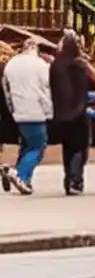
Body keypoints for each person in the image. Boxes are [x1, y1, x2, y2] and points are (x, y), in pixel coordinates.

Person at [2, 38, 53, 195]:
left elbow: (6, 90)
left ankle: (23, 179)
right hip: (36, 112)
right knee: (38, 146)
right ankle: (19, 173)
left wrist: (12, 109)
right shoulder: (41, 65)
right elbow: (46, 89)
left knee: (26, 146)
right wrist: (49, 111)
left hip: (19, 112)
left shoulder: (11, 65)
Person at [49, 33, 95, 195]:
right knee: (80, 148)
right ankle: (76, 180)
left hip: (60, 113)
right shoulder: (78, 64)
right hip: (77, 112)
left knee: (67, 148)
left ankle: (68, 178)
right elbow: (89, 84)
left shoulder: (55, 65)